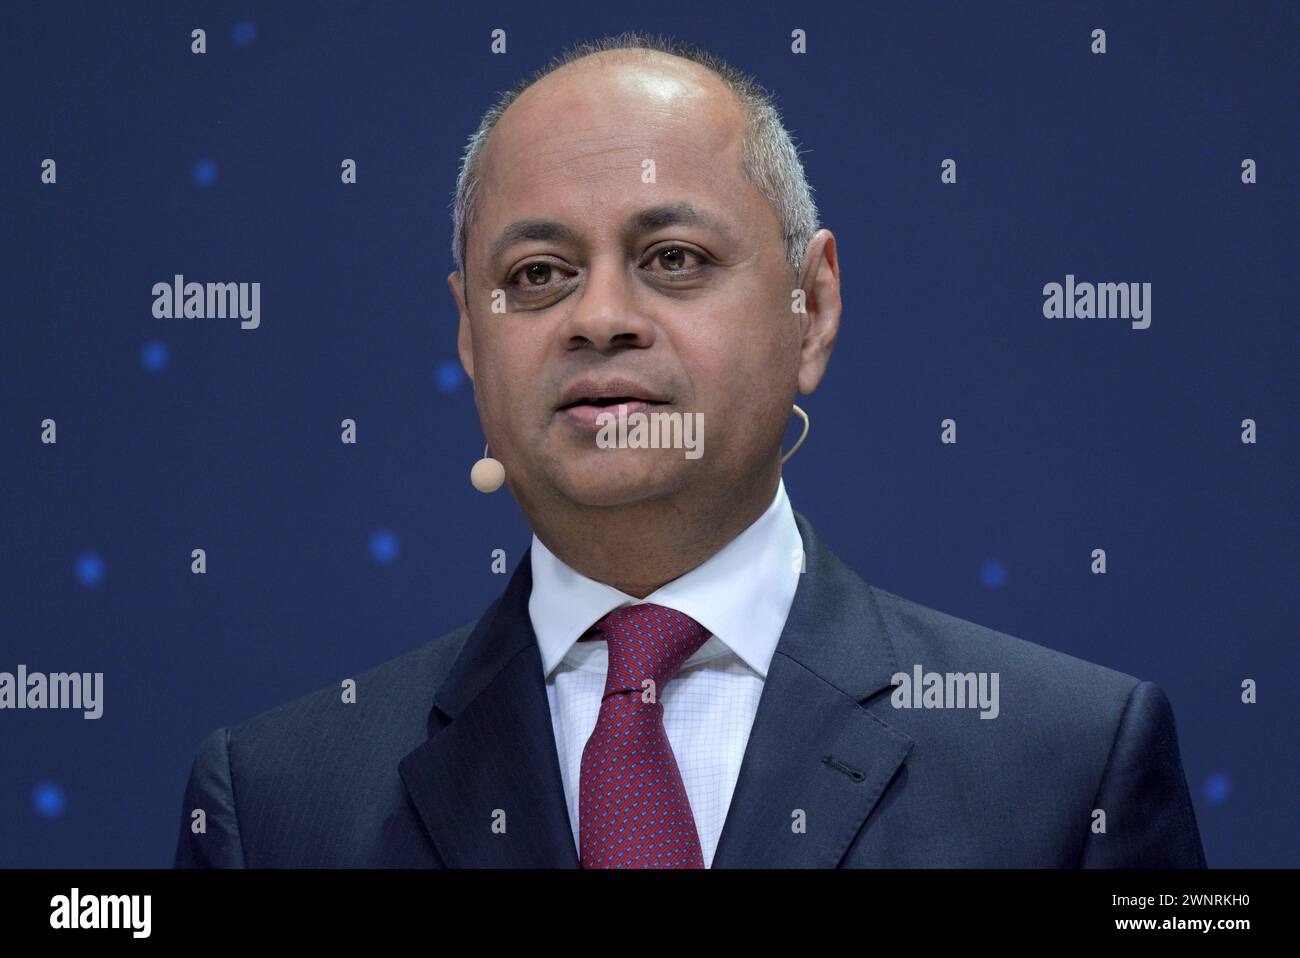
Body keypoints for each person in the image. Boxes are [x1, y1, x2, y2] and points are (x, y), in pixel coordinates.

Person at [173, 32, 1206, 868]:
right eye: (537, 274)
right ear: (467, 339)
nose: (600, 317)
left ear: (813, 306)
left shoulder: (1068, 762)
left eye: (673, 258)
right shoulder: (276, 801)